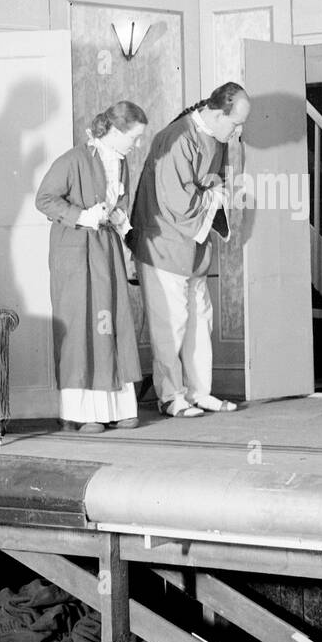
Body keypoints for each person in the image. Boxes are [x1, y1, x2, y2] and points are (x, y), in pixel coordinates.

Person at [130, 82, 250, 417]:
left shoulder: (217, 137)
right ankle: (171, 396)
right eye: (235, 124)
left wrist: (215, 190)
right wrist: (214, 194)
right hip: (164, 244)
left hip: (193, 246)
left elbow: (210, 181)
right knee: (172, 323)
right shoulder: (176, 138)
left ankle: (200, 392)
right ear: (216, 111)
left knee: (201, 320)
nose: (238, 132)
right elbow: (177, 200)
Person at [36, 102, 148, 434]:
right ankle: (84, 413)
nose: (137, 144)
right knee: (82, 325)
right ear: (114, 132)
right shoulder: (74, 159)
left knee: (113, 322)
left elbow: (115, 205)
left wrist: (123, 226)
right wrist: (84, 216)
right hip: (75, 252)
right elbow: (44, 199)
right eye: (135, 137)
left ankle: (119, 406)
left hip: (105, 248)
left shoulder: (121, 162)